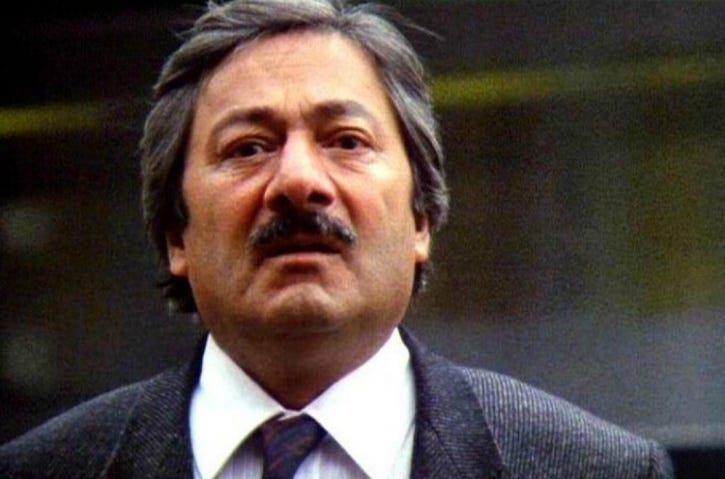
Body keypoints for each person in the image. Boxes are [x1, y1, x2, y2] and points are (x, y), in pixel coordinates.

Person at [1, 1, 673, 478]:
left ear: (420, 218)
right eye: (248, 147)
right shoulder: (44, 468)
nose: (298, 181)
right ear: (176, 232)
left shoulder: (592, 468)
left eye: (346, 141)